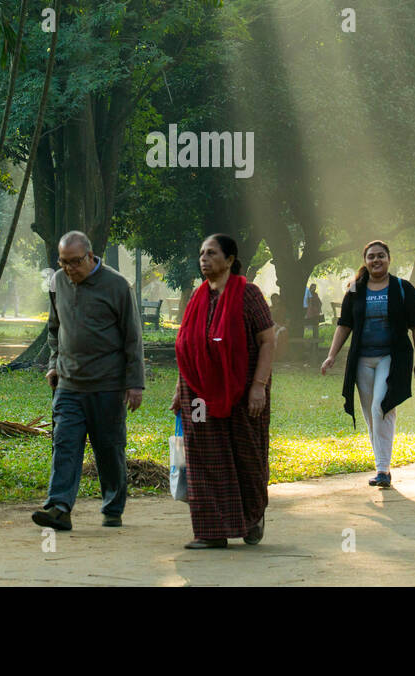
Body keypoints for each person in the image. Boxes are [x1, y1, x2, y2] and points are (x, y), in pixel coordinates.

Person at [32, 231, 145, 532]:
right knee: (65, 445)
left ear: (91, 256)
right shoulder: (58, 282)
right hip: (69, 383)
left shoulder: (118, 285)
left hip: (107, 385)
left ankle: (113, 506)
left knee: (108, 449)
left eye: (75, 262)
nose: (69, 269)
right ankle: (59, 507)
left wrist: (135, 383)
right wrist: (54, 364)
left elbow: (132, 338)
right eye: (63, 262)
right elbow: (54, 328)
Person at [171, 234, 276, 549]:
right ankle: (211, 531)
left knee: (247, 455)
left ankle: (252, 516)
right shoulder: (197, 297)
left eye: (212, 253)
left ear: (229, 259)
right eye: (201, 252)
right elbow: (188, 347)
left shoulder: (249, 295)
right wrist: (180, 388)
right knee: (204, 456)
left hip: (242, 390)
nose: (204, 258)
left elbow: (268, 341)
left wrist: (258, 386)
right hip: (199, 393)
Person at [321, 240, 415, 489]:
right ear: (365, 261)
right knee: (371, 414)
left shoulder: (403, 288)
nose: (376, 260)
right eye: (371, 257)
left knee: (382, 406)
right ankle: (382, 467)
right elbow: (344, 324)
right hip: (362, 360)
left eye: (381, 256)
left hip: (392, 357)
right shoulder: (356, 290)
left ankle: (382, 470)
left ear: (389, 259)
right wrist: (331, 355)